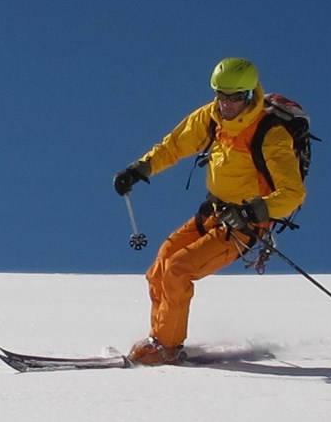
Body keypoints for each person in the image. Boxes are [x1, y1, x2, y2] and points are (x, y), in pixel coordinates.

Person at [112, 58, 306, 366]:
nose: (227, 103)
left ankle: (167, 346)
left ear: (250, 94)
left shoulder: (271, 133)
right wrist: (140, 168)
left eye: (235, 96)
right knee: (161, 265)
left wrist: (251, 212)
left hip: (245, 224)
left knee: (178, 269)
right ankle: (158, 338)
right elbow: (174, 146)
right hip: (214, 211)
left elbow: (293, 194)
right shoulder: (211, 117)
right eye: (221, 94)